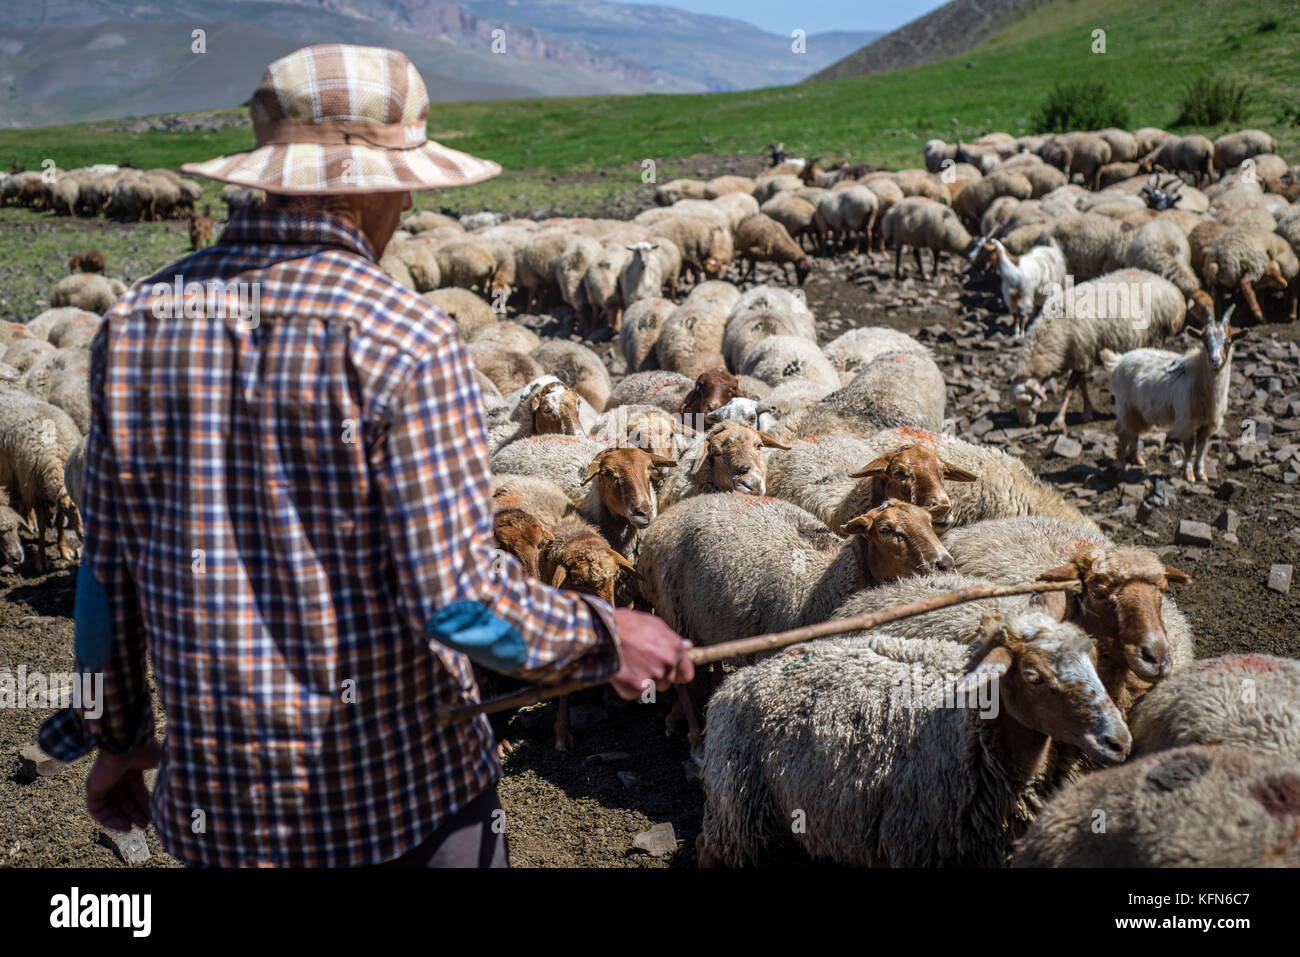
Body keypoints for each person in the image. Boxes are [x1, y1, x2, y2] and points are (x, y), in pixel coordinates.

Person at [39, 43, 694, 868]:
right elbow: (454, 597)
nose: (412, 194)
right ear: (360, 184)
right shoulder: (404, 339)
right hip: (400, 809)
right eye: (404, 174)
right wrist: (606, 635)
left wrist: (117, 738)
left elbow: (106, 578)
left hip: (224, 819)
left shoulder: (136, 325)